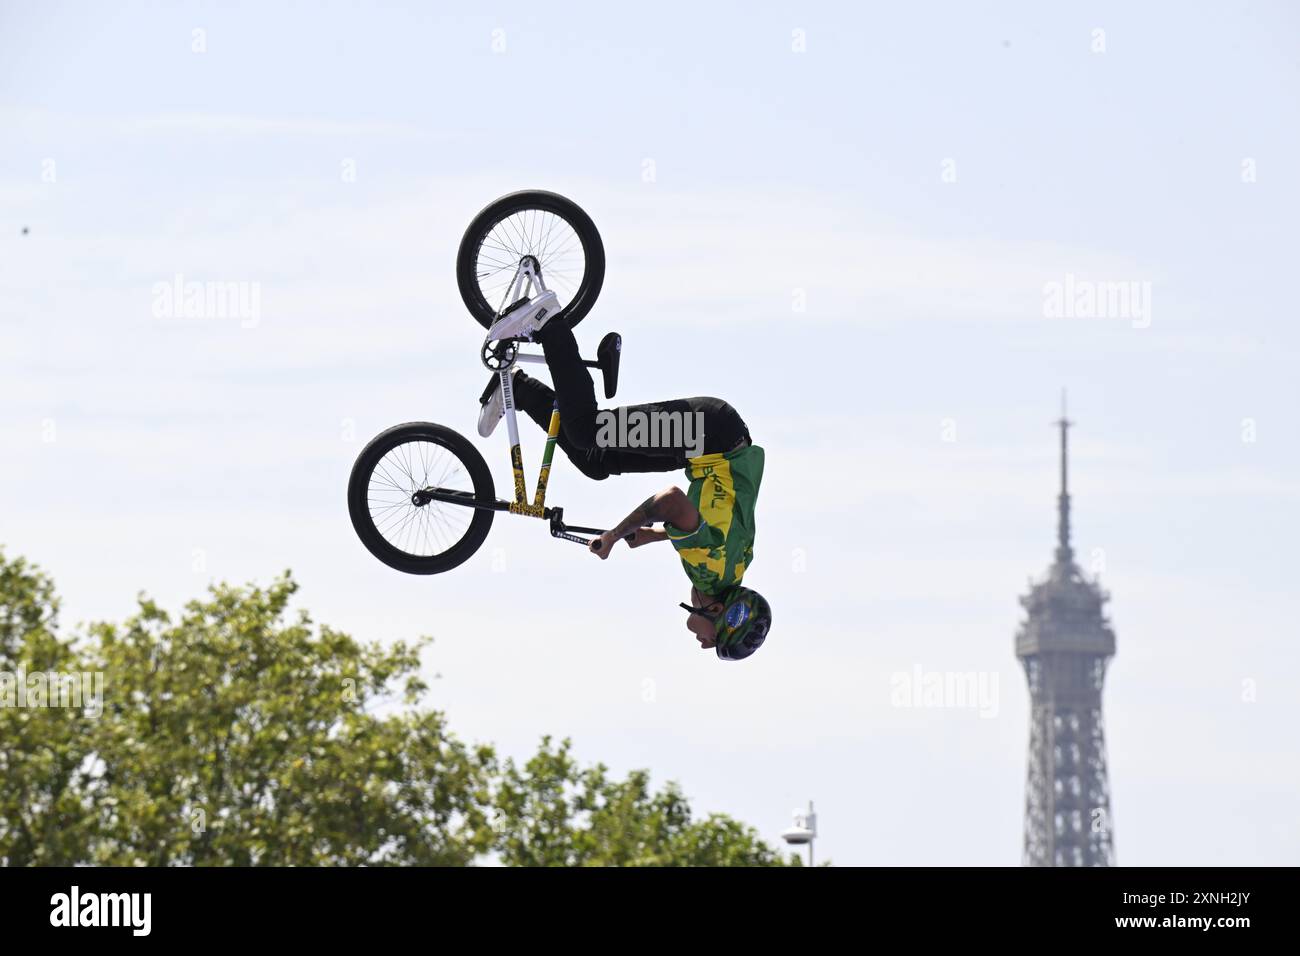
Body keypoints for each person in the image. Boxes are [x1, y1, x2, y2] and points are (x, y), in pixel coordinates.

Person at [477, 298, 772, 661]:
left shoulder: (731, 571)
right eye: (713, 641)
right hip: (708, 434)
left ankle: (517, 389)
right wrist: (614, 536)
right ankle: (548, 323)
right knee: (589, 430)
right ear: (717, 614)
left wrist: (652, 535)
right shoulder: (709, 572)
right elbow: (672, 501)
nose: (704, 644)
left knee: (596, 462)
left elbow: (707, 530)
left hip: (713, 440)